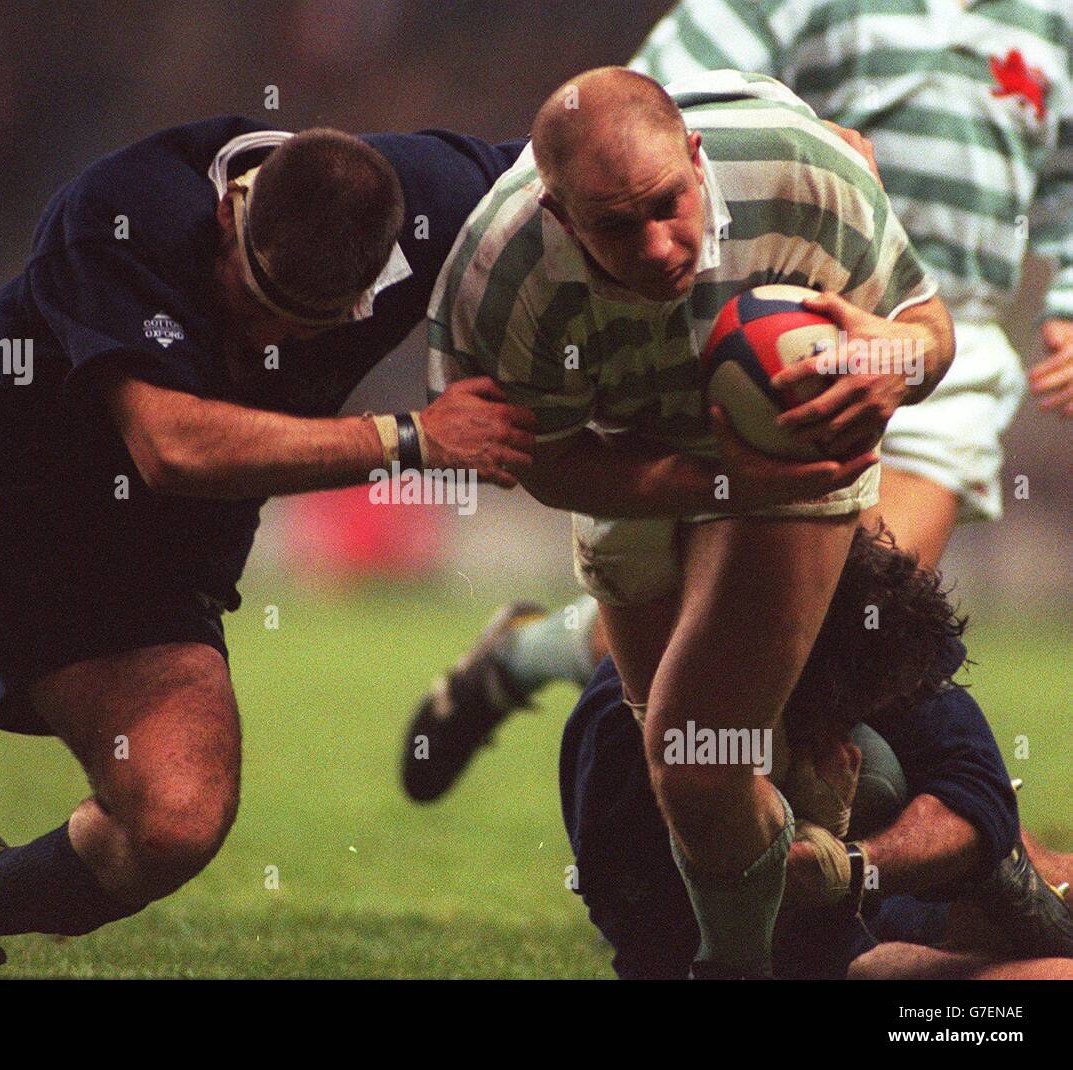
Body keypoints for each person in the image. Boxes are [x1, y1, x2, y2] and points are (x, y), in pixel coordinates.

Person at [0, 119, 537, 979]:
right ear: (228, 214)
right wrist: (411, 439)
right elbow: (171, 447)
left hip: (154, 554)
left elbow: (570, 163)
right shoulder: (121, 207)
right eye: (259, 307)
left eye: (308, 326)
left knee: (175, 824)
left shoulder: (438, 197)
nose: (271, 343)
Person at [405, 0, 1072, 803]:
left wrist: (1068, 297)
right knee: (763, 639)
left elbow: (1067, 180)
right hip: (776, 327)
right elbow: (650, 106)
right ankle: (740, 854)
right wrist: (807, 129)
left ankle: (531, 656)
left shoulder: (1054, 20)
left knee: (839, 621)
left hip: (937, 328)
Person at [424, 65, 955, 976]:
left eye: (670, 203)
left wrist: (899, 362)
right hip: (622, 453)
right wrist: (711, 482)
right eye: (617, 226)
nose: (662, 245)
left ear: (698, 159)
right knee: (698, 766)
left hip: (791, 454)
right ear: (559, 218)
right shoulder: (498, 280)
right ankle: (814, 815)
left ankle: (736, 963)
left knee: (694, 761)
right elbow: (539, 464)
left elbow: (929, 327)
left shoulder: (805, 176)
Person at [561, 526, 1073, 978]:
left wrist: (846, 868)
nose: (843, 750)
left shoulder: (864, 629)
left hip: (879, 892)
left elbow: (979, 790)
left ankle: (1010, 892)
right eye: (828, 726)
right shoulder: (620, 754)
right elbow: (655, 956)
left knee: (1036, 869)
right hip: (787, 934)